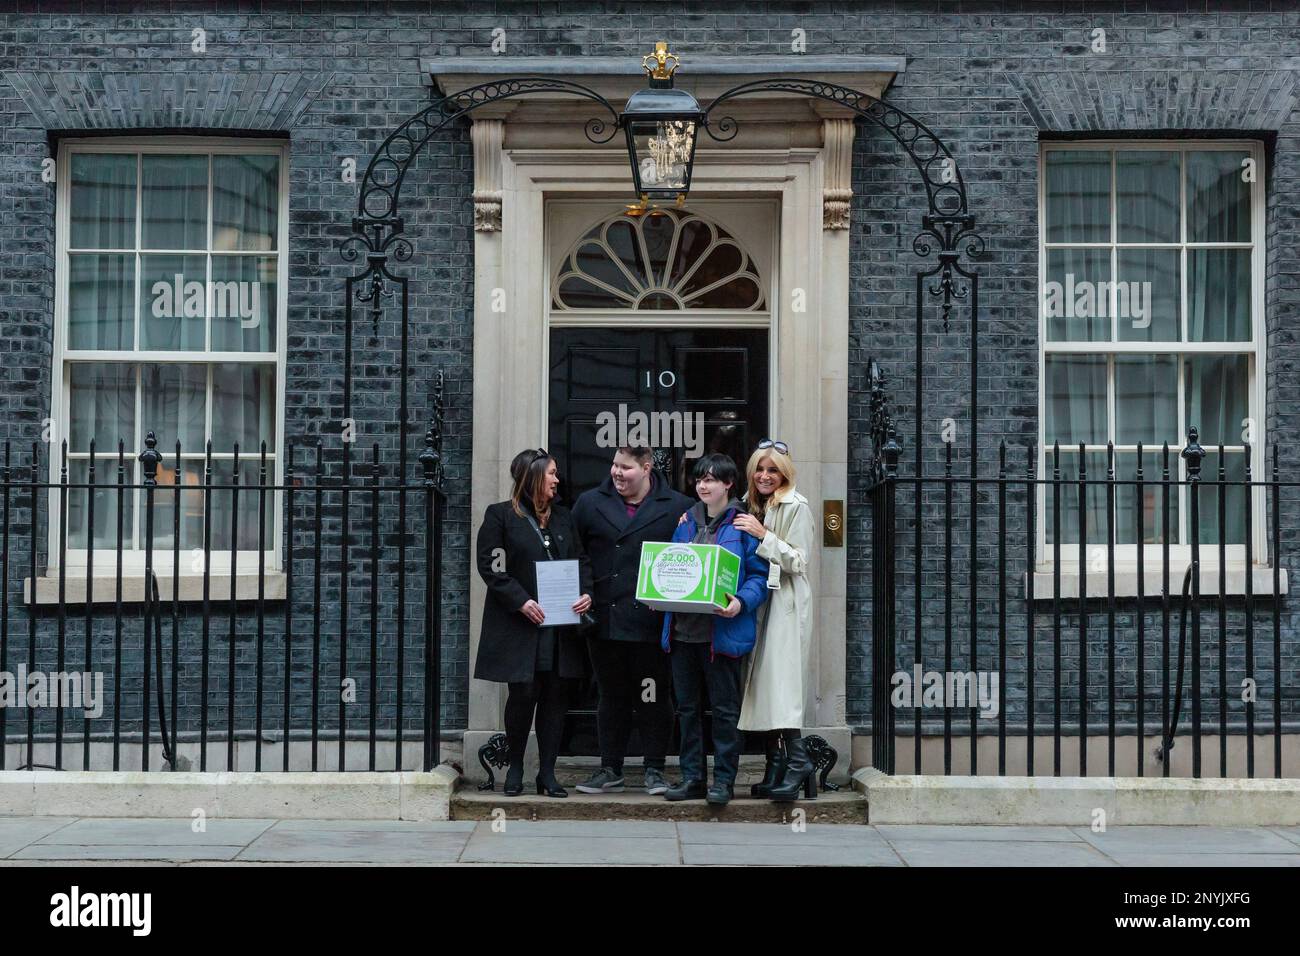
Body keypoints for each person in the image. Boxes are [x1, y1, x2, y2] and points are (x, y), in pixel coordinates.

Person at [571, 446, 694, 796]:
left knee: (655, 696)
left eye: (625, 467)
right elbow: (576, 554)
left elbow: (688, 558)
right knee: (610, 695)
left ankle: (655, 768)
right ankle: (610, 767)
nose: (616, 473)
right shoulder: (589, 503)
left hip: (652, 622)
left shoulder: (678, 507)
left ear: (646, 468)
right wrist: (583, 591)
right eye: (614, 465)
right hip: (604, 618)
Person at [474, 449, 593, 797]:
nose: (557, 480)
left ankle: (548, 773)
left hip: (560, 625)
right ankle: (514, 768)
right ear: (533, 477)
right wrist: (521, 601)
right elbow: (492, 568)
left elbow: (581, 560)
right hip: (521, 625)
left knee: (556, 696)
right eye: (552, 474)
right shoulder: (499, 516)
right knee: (523, 694)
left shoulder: (564, 518)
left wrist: (587, 594)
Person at [660, 453, 769, 806]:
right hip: (682, 632)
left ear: (728, 484)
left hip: (720, 636)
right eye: (699, 479)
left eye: (711, 479)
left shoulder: (742, 525)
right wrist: (656, 592)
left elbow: (759, 576)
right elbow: (668, 569)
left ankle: (723, 781)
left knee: (724, 711)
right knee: (687, 710)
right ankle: (692, 778)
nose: (703, 485)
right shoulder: (685, 522)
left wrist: (740, 602)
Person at [735, 439, 818, 801]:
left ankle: (798, 762)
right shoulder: (748, 503)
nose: (765, 475)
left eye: (773, 470)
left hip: (785, 602)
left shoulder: (797, 507)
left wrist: (763, 535)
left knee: (781, 686)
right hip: (758, 602)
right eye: (760, 468)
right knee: (762, 686)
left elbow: (800, 560)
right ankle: (776, 764)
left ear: (785, 474)